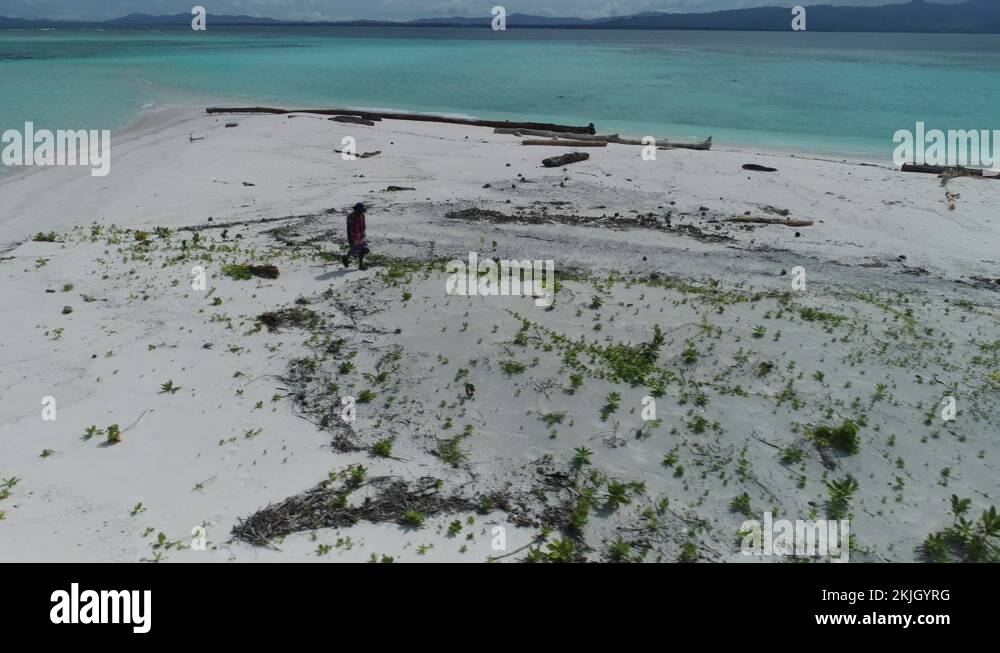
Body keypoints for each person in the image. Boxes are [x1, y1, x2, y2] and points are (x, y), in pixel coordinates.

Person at [342, 202, 369, 270]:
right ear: (356, 210)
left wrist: (364, 233)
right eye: (360, 211)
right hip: (354, 237)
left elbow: (363, 225)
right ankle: (346, 258)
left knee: (365, 250)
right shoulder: (351, 217)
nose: (361, 212)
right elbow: (349, 229)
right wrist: (351, 240)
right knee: (355, 250)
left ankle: (360, 265)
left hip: (362, 235)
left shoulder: (362, 215)